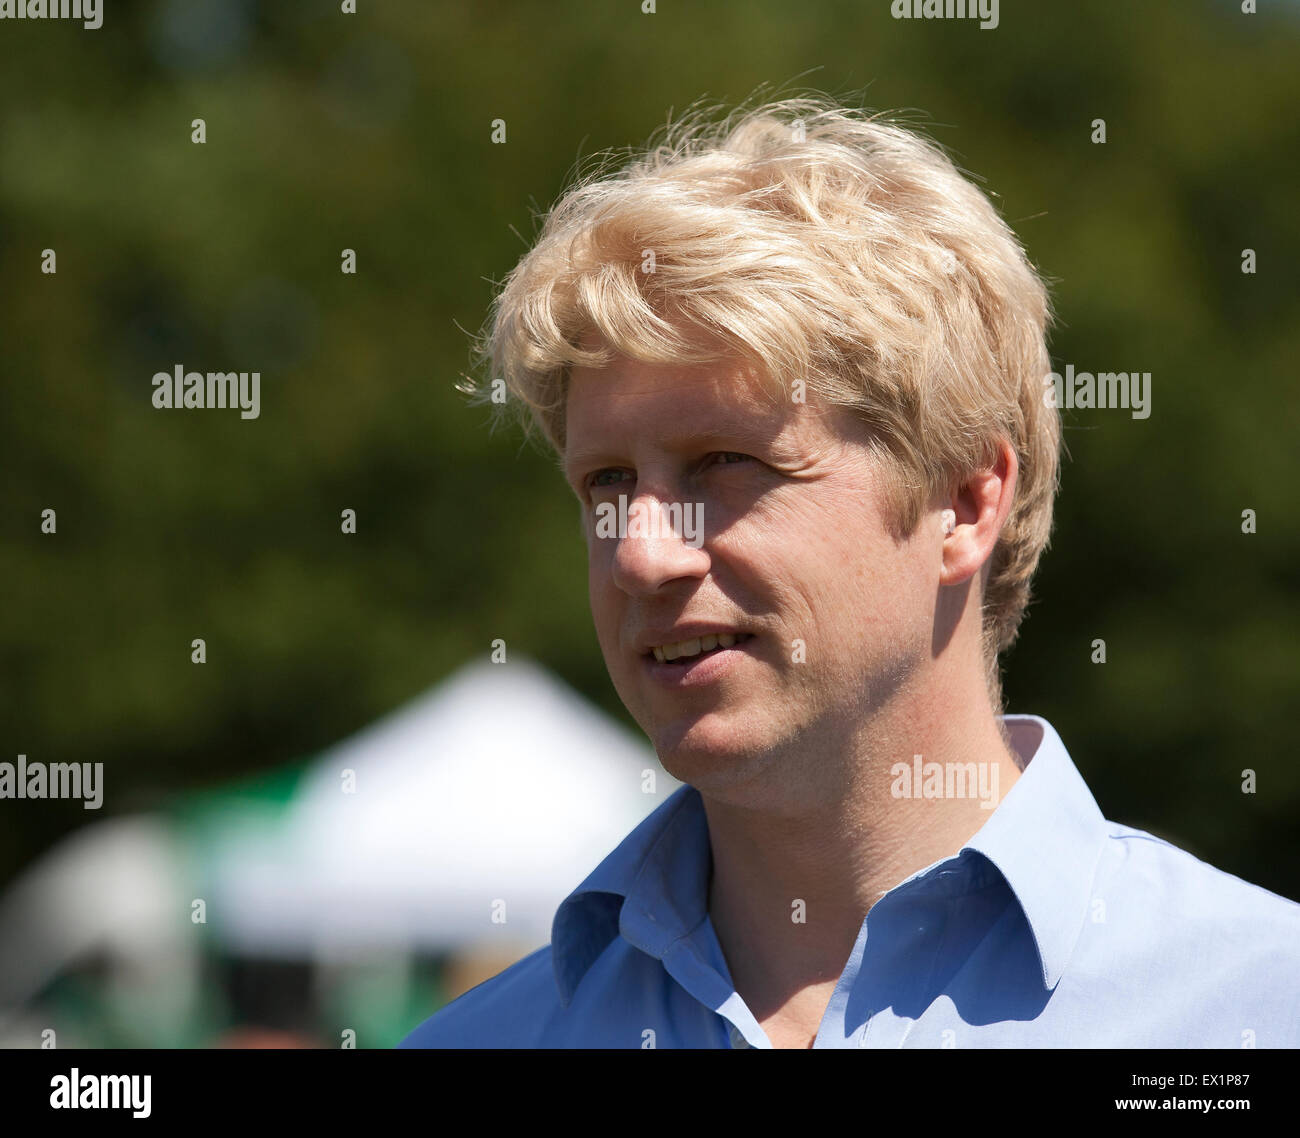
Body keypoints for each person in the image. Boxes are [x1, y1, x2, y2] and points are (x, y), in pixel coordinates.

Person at [401, 95, 1300, 1048]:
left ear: (964, 501)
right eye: (608, 481)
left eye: (725, 462)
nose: (640, 551)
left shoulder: (1251, 1008)